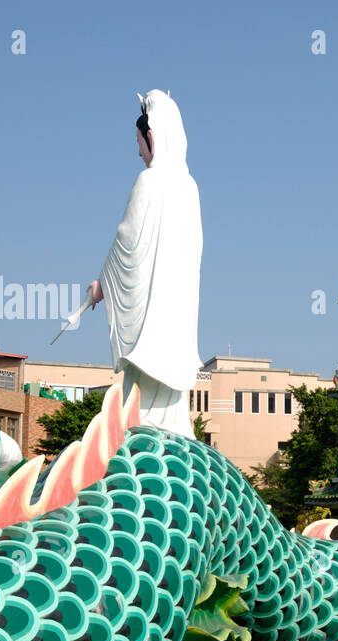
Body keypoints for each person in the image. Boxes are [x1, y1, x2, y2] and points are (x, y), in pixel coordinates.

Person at [87, 89, 202, 434]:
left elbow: (127, 238)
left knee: (138, 409)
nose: (138, 152)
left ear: (151, 136)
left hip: (152, 313)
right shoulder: (189, 186)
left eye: (138, 141)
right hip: (178, 315)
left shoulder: (149, 180)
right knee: (171, 411)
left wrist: (102, 284)